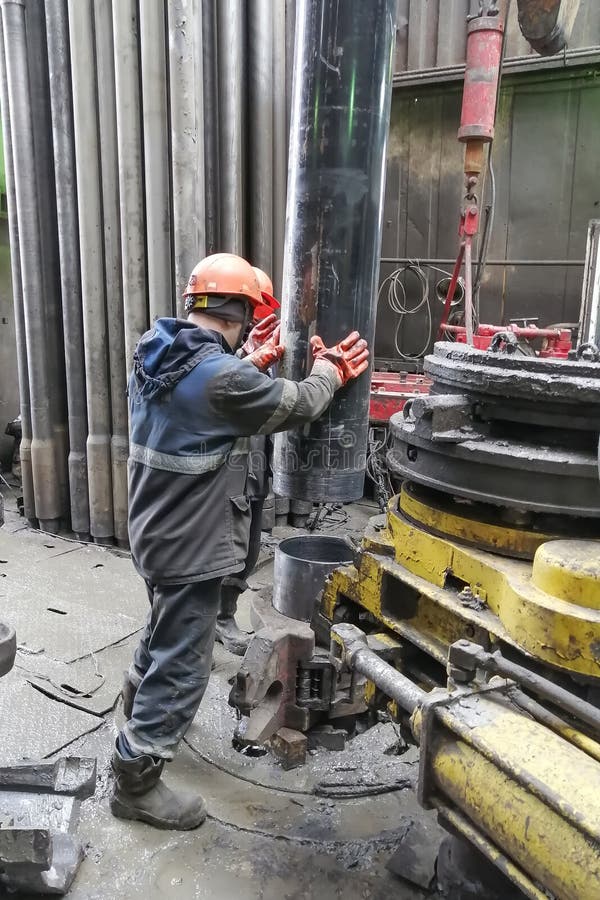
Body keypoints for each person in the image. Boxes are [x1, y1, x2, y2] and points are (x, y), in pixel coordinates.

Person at [112, 252, 369, 831]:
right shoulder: (223, 379)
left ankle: (134, 699)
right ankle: (136, 779)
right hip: (192, 544)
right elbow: (298, 403)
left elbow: (198, 399)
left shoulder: (154, 351)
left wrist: (249, 359)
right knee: (185, 662)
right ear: (242, 311)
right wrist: (330, 370)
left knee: (162, 628)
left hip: (153, 532)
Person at [214, 265, 279, 655]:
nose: (259, 319)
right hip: (228, 473)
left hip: (255, 468)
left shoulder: (269, 350)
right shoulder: (221, 355)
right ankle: (206, 625)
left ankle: (224, 616)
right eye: (255, 310)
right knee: (223, 550)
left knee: (249, 550)